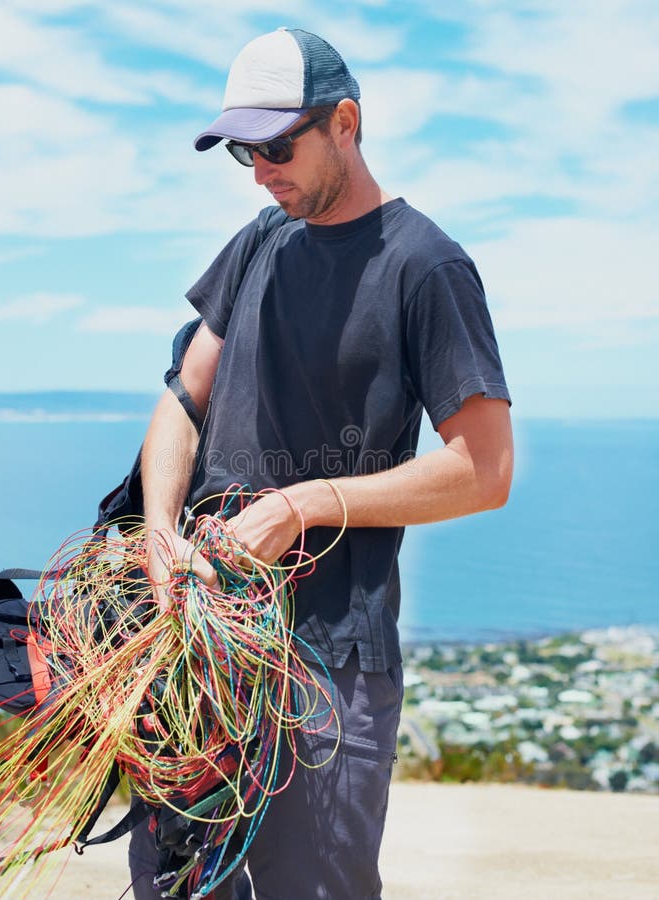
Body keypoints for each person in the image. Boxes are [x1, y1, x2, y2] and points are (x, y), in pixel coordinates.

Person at [129, 26, 513, 900]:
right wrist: (157, 535)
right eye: (241, 150)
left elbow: (484, 470)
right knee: (175, 886)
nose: (260, 169)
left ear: (345, 122)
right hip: (199, 642)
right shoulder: (258, 244)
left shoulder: (426, 265)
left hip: (328, 666)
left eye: (275, 145)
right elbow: (182, 400)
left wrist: (304, 504)